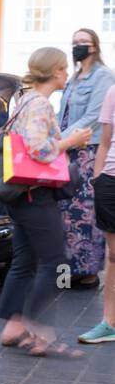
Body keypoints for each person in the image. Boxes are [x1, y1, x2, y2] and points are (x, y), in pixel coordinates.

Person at [0, 47, 92, 358]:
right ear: (55, 72)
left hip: (20, 195)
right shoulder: (39, 104)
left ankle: (13, 326)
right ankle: (41, 332)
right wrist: (71, 141)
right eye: (64, 68)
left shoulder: (25, 99)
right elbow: (39, 149)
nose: (67, 73)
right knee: (53, 261)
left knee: (24, 260)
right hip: (36, 195)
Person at [58, 28, 114, 288]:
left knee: (86, 213)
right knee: (67, 213)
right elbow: (64, 114)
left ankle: (87, 272)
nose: (78, 46)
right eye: (74, 41)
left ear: (94, 46)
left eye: (83, 42)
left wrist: (60, 141)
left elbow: (92, 117)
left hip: (86, 151)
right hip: (68, 149)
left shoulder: (103, 76)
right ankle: (68, 273)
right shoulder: (74, 77)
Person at [78, 80, 115, 344]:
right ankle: (109, 323)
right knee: (114, 256)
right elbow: (104, 140)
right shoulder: (113, 89)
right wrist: (98, 177)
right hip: (110, 180)